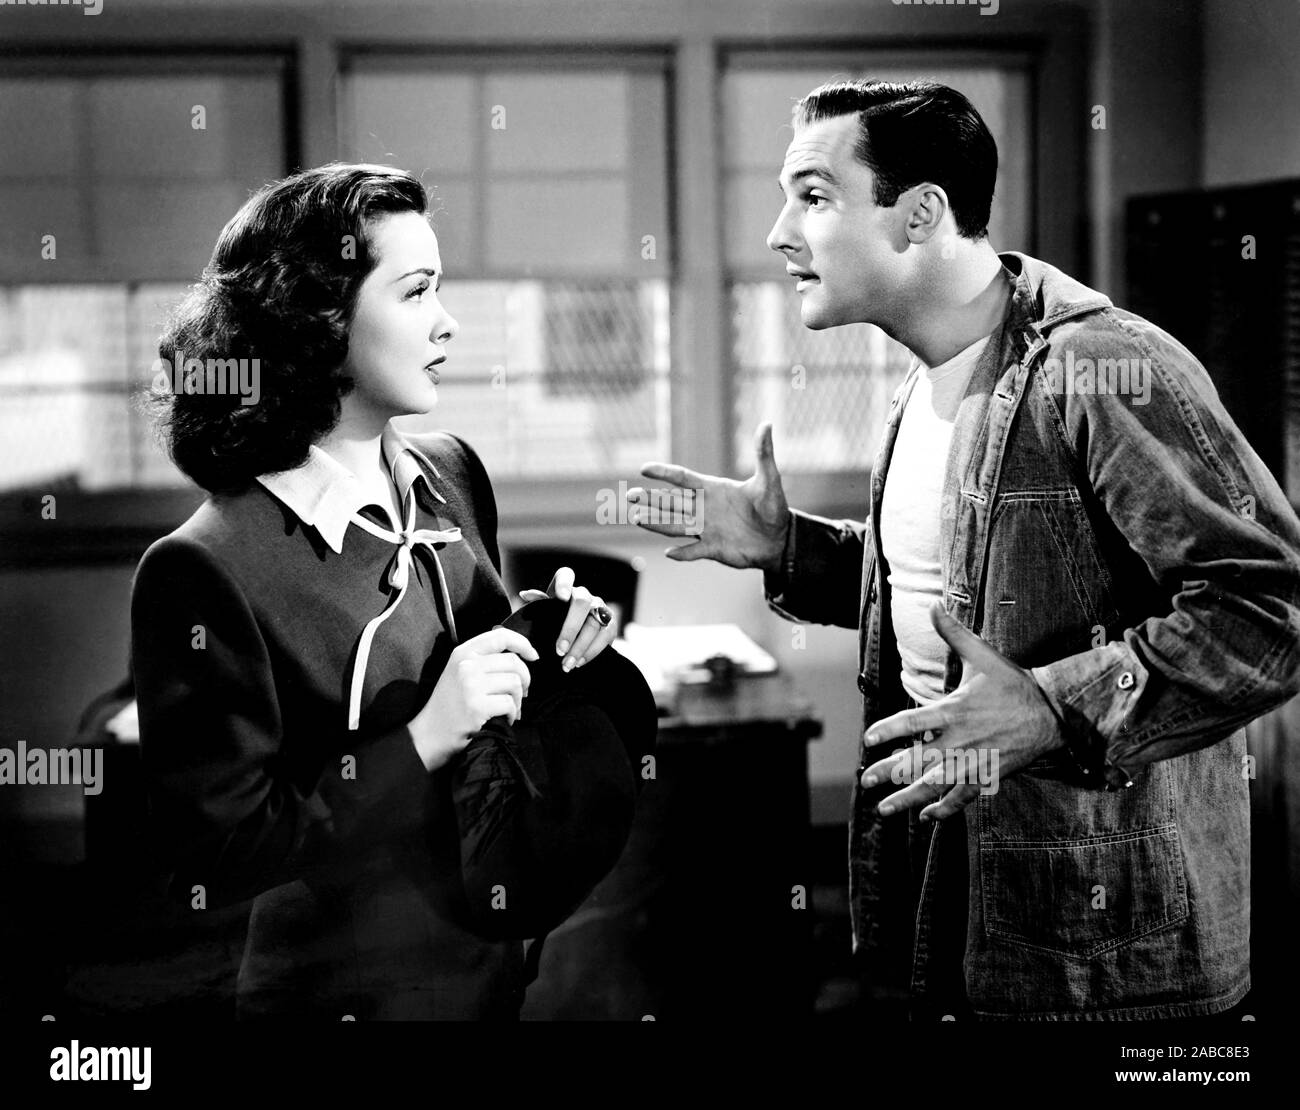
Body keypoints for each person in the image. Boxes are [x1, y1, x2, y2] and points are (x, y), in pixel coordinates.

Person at [628, 80, 1300, 1020]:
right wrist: (787, 549)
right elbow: (960, 584)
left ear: (922, 214)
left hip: (1101, 954)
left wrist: (1051, 710)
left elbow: (1270, 611)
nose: (780, 234)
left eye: (814, 196)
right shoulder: (928, 379)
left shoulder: (1103, 368)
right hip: (959, 891)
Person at [131, 163, 620, 1020]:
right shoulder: (202, 567)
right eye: (416, 291)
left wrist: (556, 632)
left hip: (486, 965)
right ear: (319, 320)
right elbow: (223, 854)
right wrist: (424, 735)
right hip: (335, 995)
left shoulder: (454, 470)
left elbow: (486, 695)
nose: (448, 322)